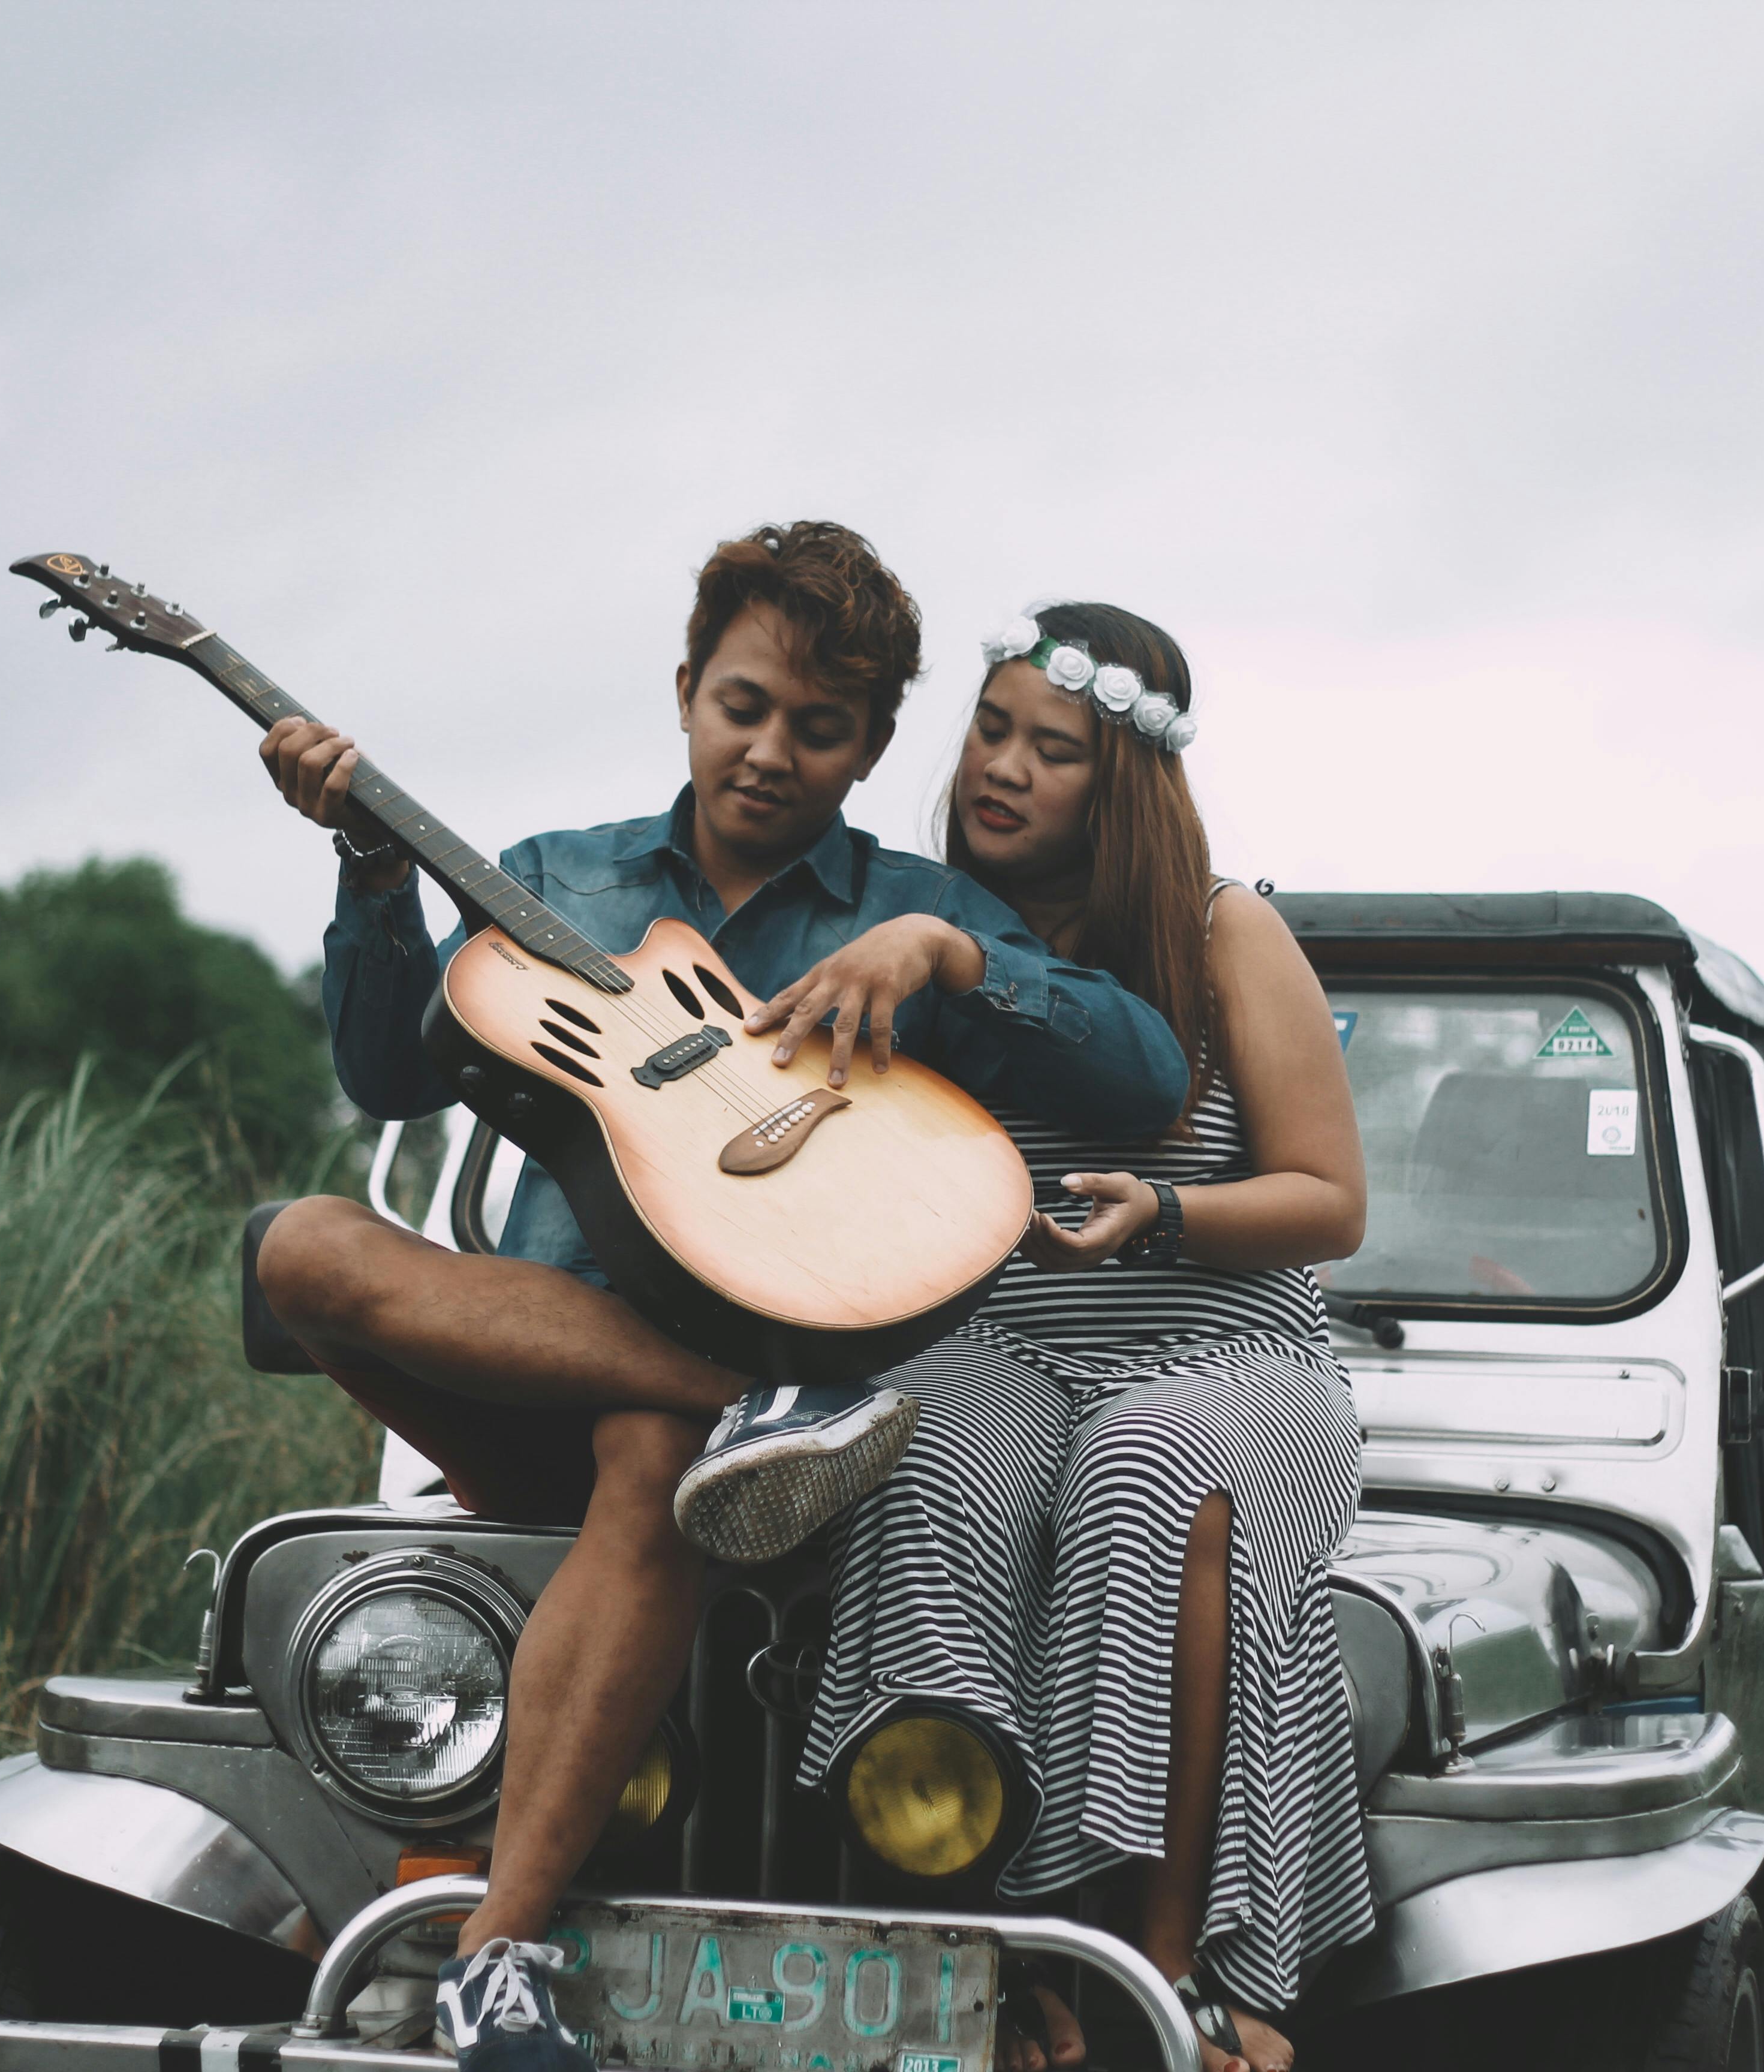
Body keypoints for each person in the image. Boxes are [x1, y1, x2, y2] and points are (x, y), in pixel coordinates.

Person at [249, 525, 1191, 2072]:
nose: (770, 752)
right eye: (743, 706)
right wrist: (366, 863)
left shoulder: (912, 903)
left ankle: (499, 1961)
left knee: (654, 1456)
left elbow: (1146, 1073)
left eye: (820, 729)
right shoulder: (557, 880)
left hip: (699, 1460)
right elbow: (382, 1070)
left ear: (874, 741)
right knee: (299, 1250)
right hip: (547, 1363)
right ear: (688, 690)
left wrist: (953, 955)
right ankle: (734, 1405)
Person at [787, 603, 1372, 2072]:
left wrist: (1168, 1210)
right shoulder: (915, 927)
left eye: (1053, 751)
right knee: (917, 1465)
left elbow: (1330, 1201)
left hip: (1228, 1354)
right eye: (991, 731)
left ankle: (1153, 1974)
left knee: (1149, 1466)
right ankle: (985, 1958)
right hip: (1007, 1345)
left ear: (1122, 785)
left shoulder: (1221, 929)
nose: (1004, 770)